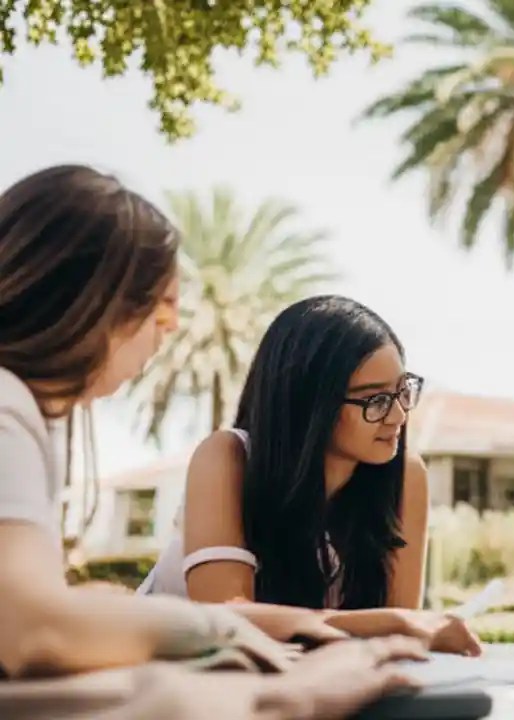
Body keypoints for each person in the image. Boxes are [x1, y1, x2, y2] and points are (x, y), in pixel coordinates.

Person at [0, 165, 425, 716]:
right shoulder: (7, 407)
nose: (172, 325)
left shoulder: (26, 416)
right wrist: (242, 640)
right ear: (91, 300)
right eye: (161, 302)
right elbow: (34, 632)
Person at [142, 295, 480, 655]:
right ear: (311, 405)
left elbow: (396, 640)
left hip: (295, 680)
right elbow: (223, 622)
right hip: (161, 674)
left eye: (402, 391)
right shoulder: (229, 457)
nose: (398, 415)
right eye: (374, 400)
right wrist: (387, 624)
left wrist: (395, 627)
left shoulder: (405, 476)